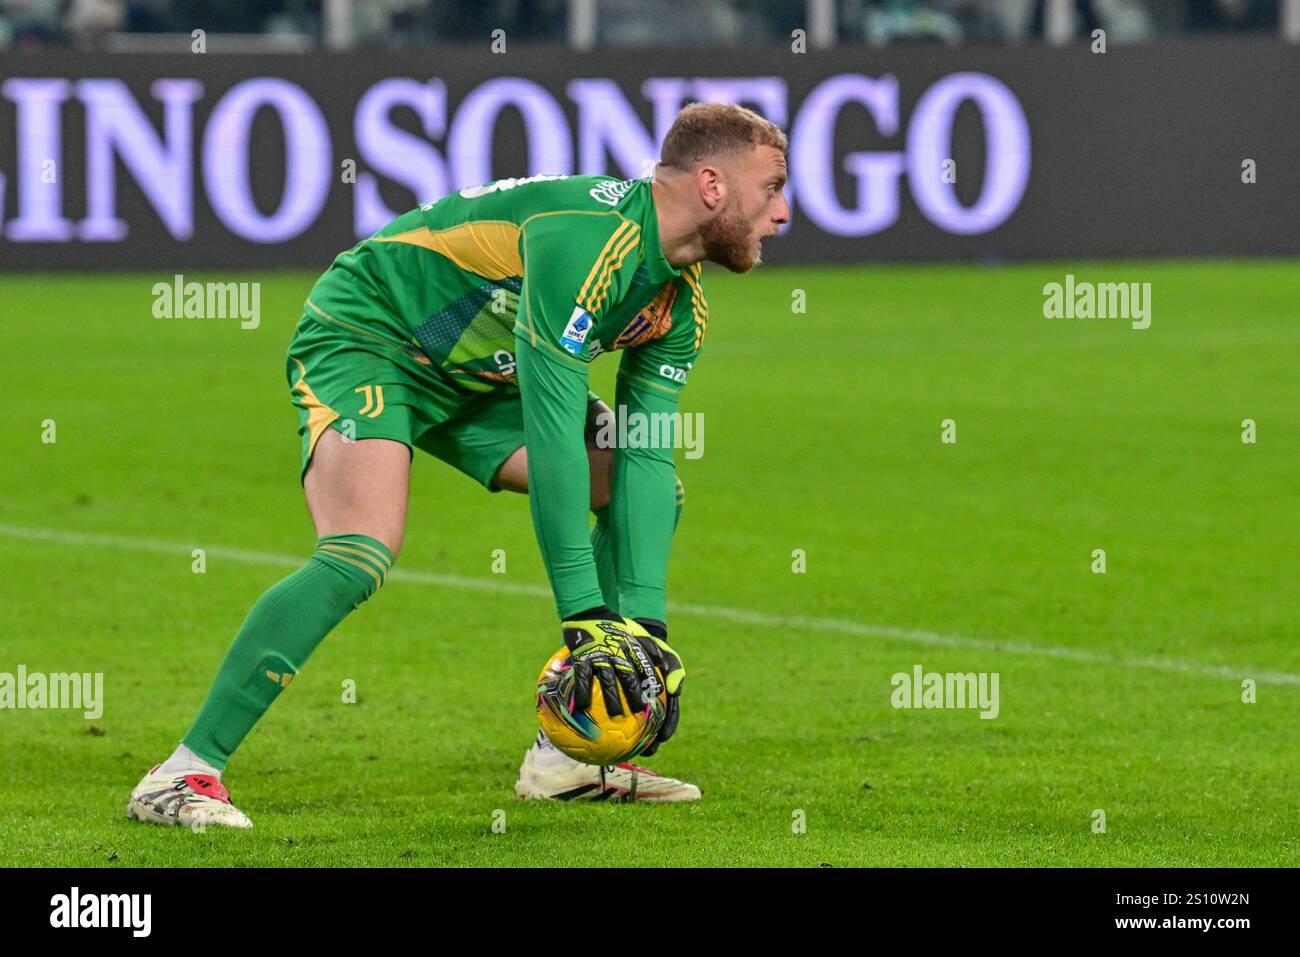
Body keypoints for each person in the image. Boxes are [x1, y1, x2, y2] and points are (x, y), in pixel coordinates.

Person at [126, 101, 790, 826]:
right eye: (772, 188)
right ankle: (183, 773)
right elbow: (557, 431)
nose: (783, 212)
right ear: (713, 185)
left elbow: (648, 454)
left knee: (631, 487)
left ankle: (569, 751)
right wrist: (587, 618)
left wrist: (646, 631)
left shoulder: (678, 304)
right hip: (373, 332)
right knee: (360, 549)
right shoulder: (586, 241)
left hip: (479, 370)